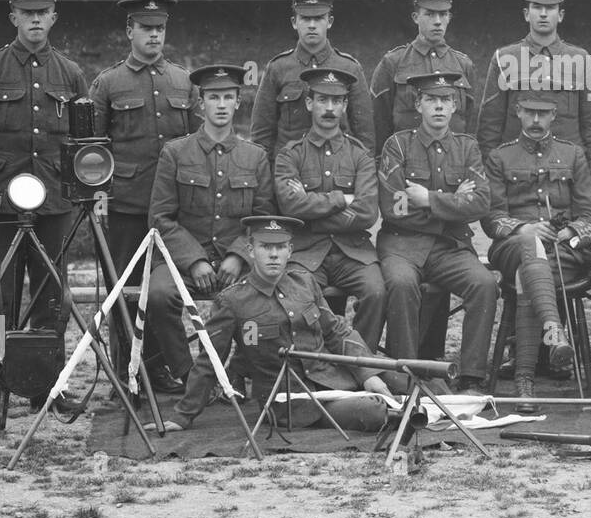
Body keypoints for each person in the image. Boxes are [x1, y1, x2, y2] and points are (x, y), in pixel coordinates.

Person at [0, 0, 88, 414]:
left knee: (52, 296)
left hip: (53, 204)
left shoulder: (70, 73)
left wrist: (84, 191)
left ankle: (46, 386)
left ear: (53, 17)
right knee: (0, 299)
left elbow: (84, 146)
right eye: (26, 13)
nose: (35, 20)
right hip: (3, 205)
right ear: (12, 17)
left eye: (42, 12)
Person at [155, 217, 395, 430]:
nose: (273, 254)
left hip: (333, 378)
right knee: (372, 411)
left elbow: (337, 332)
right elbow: (210, 361)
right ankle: (409, 413)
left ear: (290, 251)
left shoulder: (304, 282)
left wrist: (366, 374)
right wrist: (183, 416)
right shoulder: (233, 301)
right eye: (265, 247)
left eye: (280, 247)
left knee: (408, 377)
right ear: (250, 250)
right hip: (292, 403)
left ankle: (409, 406)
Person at [146, 65, 276, 392]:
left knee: (263, 301)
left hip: (235, 264)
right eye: (213, 97)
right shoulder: (175, 152)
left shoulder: (255, 157)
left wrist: (238, 256)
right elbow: (161, 217)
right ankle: (190, 375)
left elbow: (262, 220)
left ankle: (235, 373)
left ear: (237, 104)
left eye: (228, 97)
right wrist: (194, 260)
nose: (221, 104)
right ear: (200, 104)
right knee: (159, 295)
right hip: (181, 261)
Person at [89, 0, 200, 373]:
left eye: (160, 28)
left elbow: (198, 143)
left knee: (161, 293)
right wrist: (99, 203)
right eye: (146, 28)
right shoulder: (108, 82)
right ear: (129, 31)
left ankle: (159, 371)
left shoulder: (184, 81)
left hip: (173, 210)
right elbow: (92, 153)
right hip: (127, 207)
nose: (154, 35)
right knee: (125, 290)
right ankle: (128, 374)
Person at [377, 71, 496, 393]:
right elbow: (395, 208)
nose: (439, 107)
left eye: (446, 100)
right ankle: (405, 374)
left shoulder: (467, 147)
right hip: (402, 245)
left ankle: (470, 376)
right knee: (401, 284)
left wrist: (428, 199)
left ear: (455, 106)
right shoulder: (398, 145)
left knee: (484, 284)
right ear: (418, 104)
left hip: (449, 247)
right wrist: (455, 202)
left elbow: (482, 202)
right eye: (431, 100)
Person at [482, 90, 591, 408]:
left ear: (553, 116)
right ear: (518, 113)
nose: (535, 120)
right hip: (511, 246)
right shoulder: (500, 157)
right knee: (529, 246)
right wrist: (523, 229)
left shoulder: (573, 155)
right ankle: (553, 329)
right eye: (529, 113)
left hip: (563, 251)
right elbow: (492, 218)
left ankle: (525, 382)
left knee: (526, 277)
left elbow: (590, 214)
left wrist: (571, 232)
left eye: (542, 114)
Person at [274, 67, 386, 350]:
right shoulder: (291, 155)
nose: (329, 108)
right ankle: (316, 364)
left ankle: (363, 361)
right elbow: (289, 206)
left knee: (376, 292)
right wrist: (342, 200)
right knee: (296, 294)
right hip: (307, 252)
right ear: (310, 103)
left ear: (345, 105)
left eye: (336, 101)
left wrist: (310, 214)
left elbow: (367, 212)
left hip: (354, 252)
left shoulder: (359, 155)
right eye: (322, 100)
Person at [476, 0, 591, 186]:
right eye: (537, 7)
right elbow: (490, 125)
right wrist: (487, 178)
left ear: (561, 15)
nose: (543, 14)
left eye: (550, 8)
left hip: (568, 173)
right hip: (516, 174)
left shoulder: (583, 59)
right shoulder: (503, 57)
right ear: (527, 14)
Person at [249, 0, 374, 160]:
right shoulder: (278, 68)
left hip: (339, 171)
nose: (312, 25)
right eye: (306, 19)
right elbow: (262, 134)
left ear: (329, 21)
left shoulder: (349, 68)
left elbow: (365, 134)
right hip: (289, 172)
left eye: (319, 18)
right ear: (294, 22)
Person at [370, 0, 478, 152]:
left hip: (454, 164)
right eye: (429, 14)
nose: (437, 21)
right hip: (406, 161)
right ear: (415, 17)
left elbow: (470, 123)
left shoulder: (463, 65)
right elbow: (378, 122)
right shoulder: (393, 63)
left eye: (443, 14)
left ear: (449, 17)